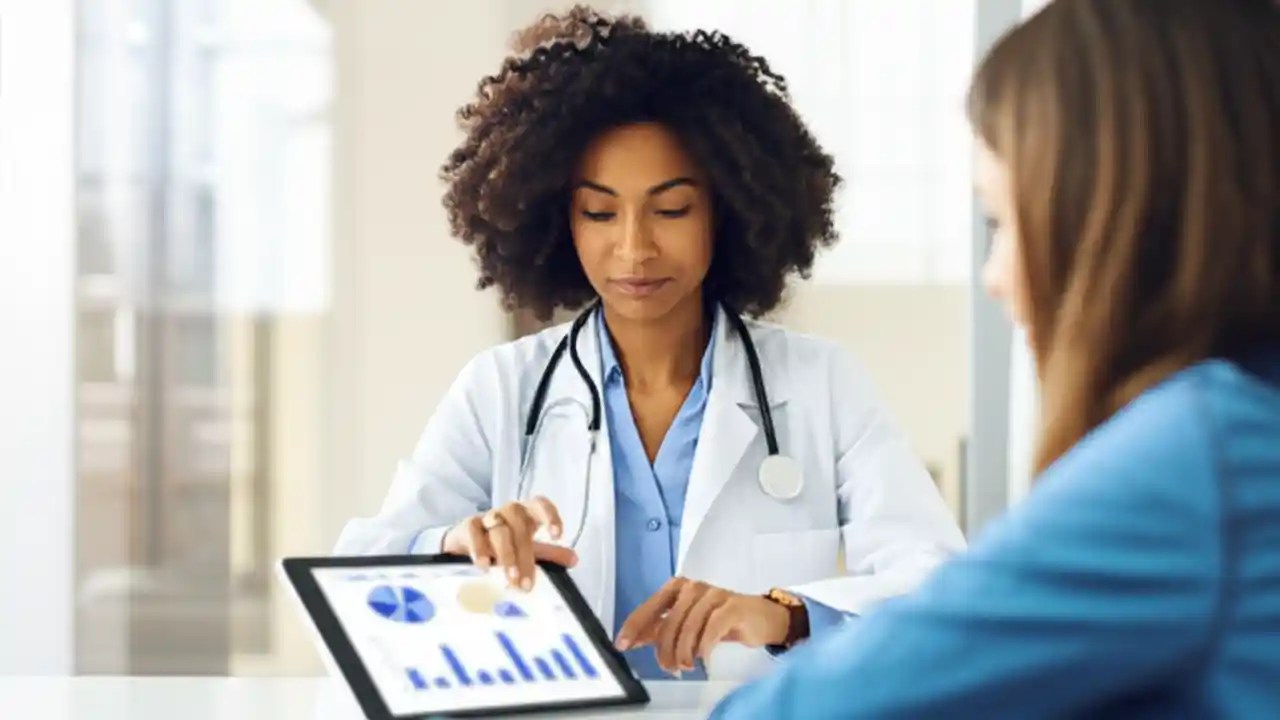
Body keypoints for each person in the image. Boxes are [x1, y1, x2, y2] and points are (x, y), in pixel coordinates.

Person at [333, 6, 964, 681]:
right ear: (556, 218)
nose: (634, 248)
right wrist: (452, 544)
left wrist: (783, 613)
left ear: (728, 209)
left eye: (671, 210)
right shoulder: (501, 390)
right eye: (599, 213)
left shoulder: (821, 383)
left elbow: (938, 584)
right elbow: (359, 578)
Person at [710, 0, 1280, 716]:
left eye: (1002, 222)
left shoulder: (1201, 457)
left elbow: (817, 704)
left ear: (1115, 217)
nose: (995, 275)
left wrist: (790, 612)